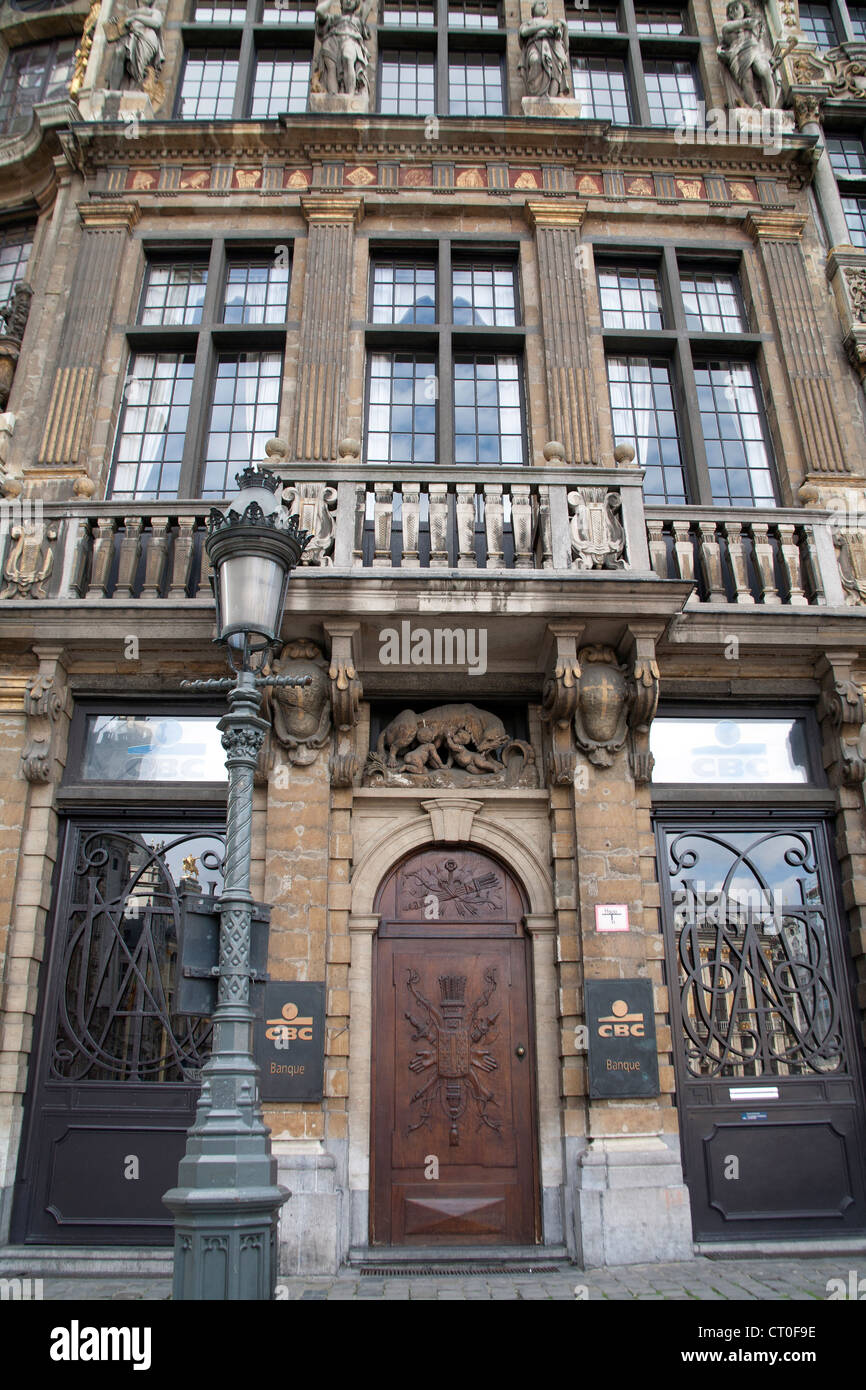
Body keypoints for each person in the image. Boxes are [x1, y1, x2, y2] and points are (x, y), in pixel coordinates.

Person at [717, 0, 777, 108]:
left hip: (755, 49)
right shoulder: (727, 27)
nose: (733, 12)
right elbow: (746, 23)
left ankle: (772, 106)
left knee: (765, 72)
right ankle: (754, 104)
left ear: (743, 10)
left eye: (736, 8)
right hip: (738, 53)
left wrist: (768, 57)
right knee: (747, 79)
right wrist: (753, 22)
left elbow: (759, 42)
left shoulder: (754, 26)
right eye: (730, 11)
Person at [314, 0, 370, 96]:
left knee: (348, 58)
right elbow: (319, 11)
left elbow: (369, 3)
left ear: (356, 3)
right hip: (331, 41)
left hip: (350, 39)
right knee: (331, 68)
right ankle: (333, 96)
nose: (348, 1)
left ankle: (350, 96)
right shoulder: (333, 18)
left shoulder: (359, 18)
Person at [518, 0, 570, 99]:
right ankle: (537, 93)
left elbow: (562, 42)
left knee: (555, 71)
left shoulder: (553, 24)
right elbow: (524, 32)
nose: (544, 5)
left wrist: (563, 29)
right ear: (533, 9)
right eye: (541, 3)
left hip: (552, 49)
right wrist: (545, 26)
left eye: (546, 4)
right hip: (535, 46)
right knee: (535, 60)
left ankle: (551, 96)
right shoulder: (529, 23)